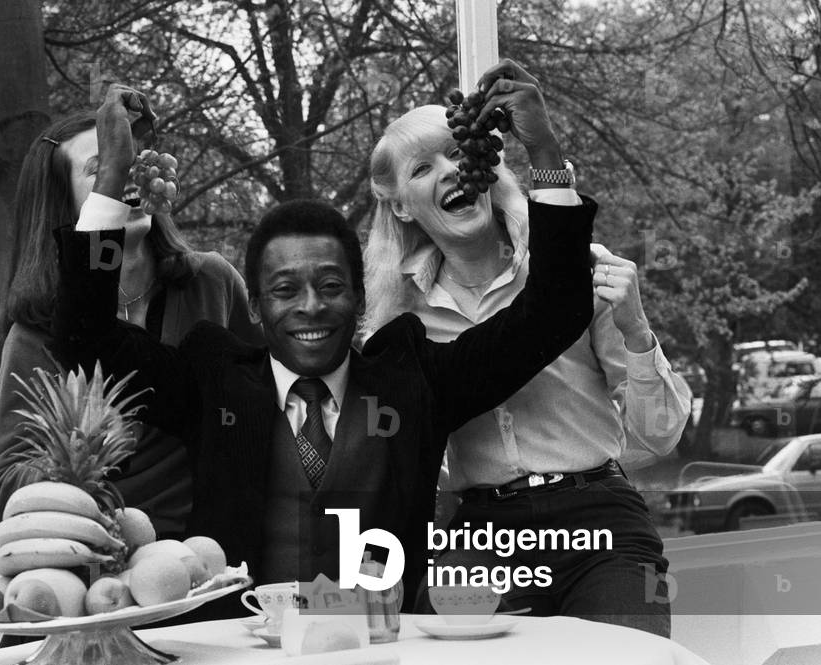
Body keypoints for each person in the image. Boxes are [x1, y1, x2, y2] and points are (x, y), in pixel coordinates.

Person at [48, 71, 597, 618]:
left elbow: (553, 310)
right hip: (238, 650)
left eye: (331, 286)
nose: (310, 305)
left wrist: (544, 150)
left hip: (383, 651)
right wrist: (112, 175)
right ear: (257, 306)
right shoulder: (212, 380)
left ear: (359, 298)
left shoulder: (414, 379)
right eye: (285, 290)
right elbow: (83, 336)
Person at [363, 60, 691, 637]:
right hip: (482, 536)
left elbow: (656, 438)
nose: (450, 171)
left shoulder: (570, 271)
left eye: (455, 152)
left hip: (602, 522)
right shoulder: (399, 324)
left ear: (486, 163)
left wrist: (638, 332)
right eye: (422, 167)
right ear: (401, 205)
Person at [0, 110, 262, 539]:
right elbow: (2, 483)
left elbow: (268, 393)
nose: (126, 178)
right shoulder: (36, 332)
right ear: (64, 203)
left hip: (218, 553)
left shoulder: (211, 281)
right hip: (102, 564)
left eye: (131, 164)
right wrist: (75, 463)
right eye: (102, 171)